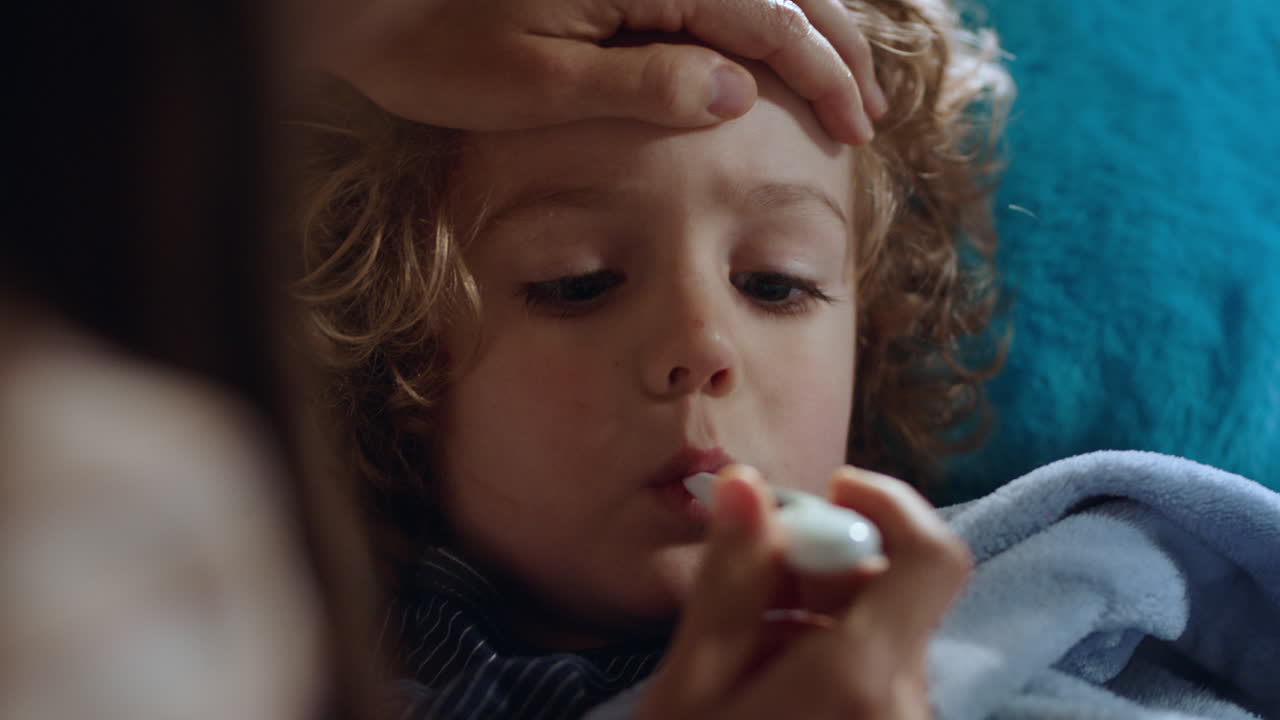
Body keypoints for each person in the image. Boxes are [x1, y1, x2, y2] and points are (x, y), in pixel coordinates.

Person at [290, 0, 1011, 716]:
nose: (699, 345)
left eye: (774, 284)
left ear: (869, 335)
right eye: (579, 284)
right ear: (402, 352)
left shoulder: (1018, 598)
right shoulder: (299, 661)